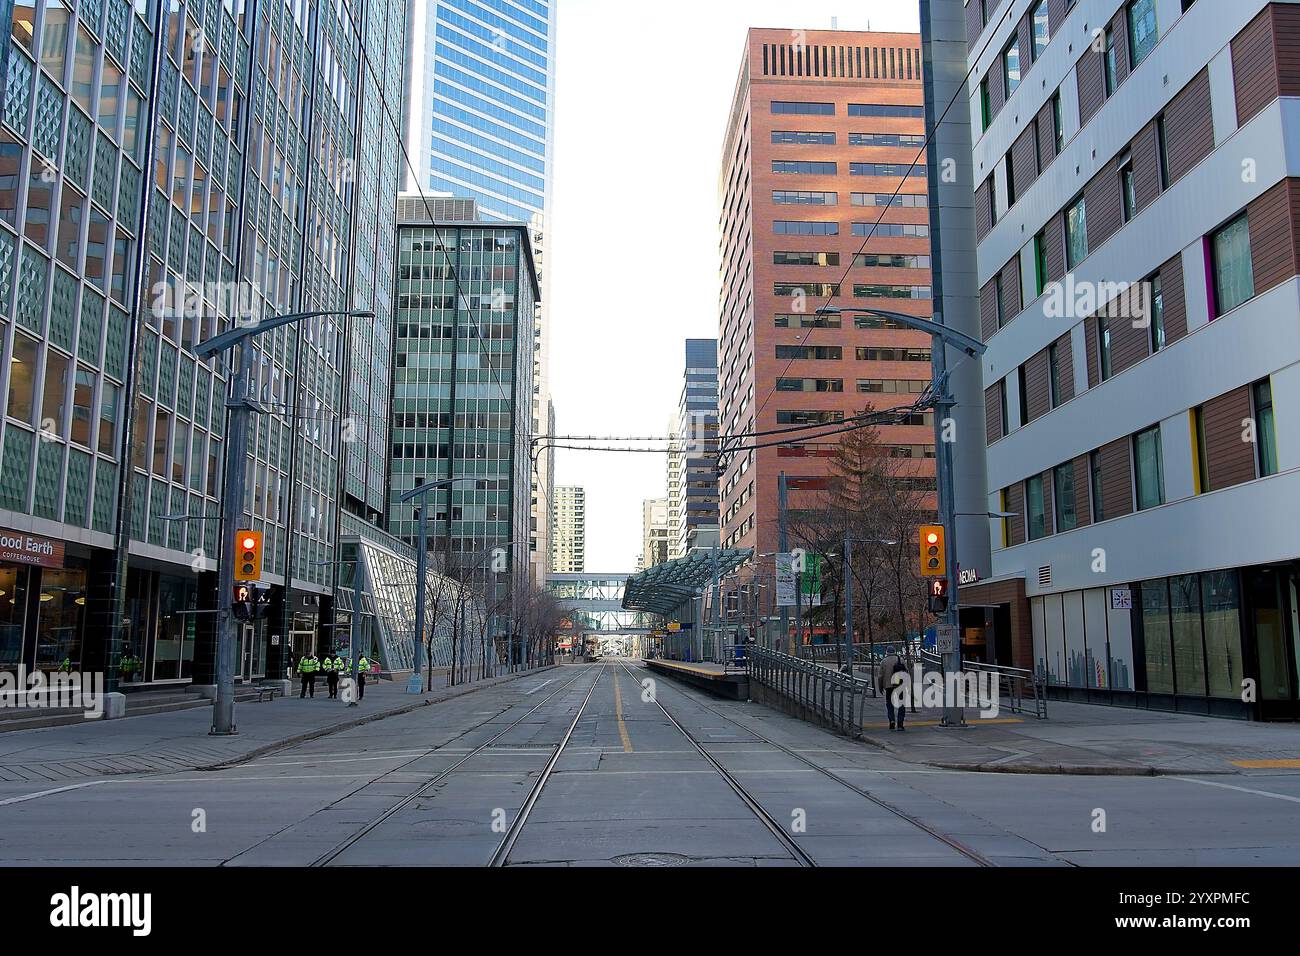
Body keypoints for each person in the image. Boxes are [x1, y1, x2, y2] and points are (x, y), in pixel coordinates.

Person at [877, 647, 909, 731]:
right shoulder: (901, 660)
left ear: (886, 652)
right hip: (900, 685)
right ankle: (900, 723)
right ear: (894, 652)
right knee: (901, 704)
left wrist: (880, 687)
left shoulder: (883, 662)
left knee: (889, 704)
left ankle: (891, 720)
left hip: (888, 687)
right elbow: (906, 672)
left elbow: (880, 676)